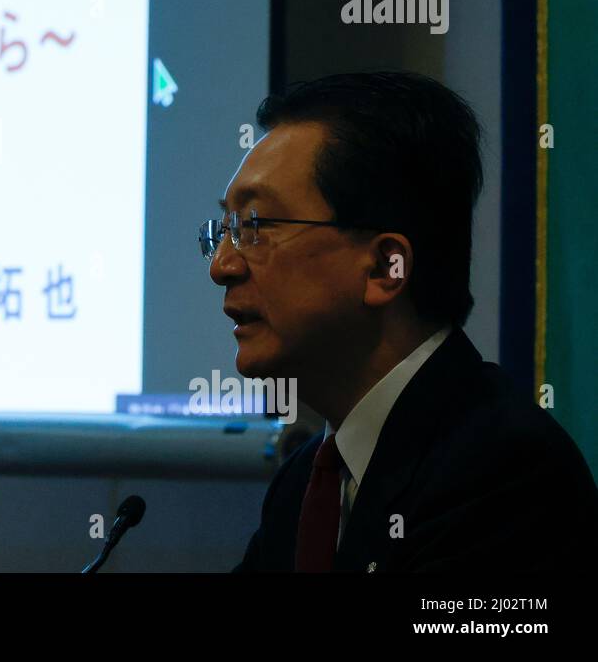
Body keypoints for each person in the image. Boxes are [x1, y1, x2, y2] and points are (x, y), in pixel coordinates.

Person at [202, 71, 598, 571]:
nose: (223, 266)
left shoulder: (506, 475)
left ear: (386, 267)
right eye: (225, 229)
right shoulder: (303, 482)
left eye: (255, 227)